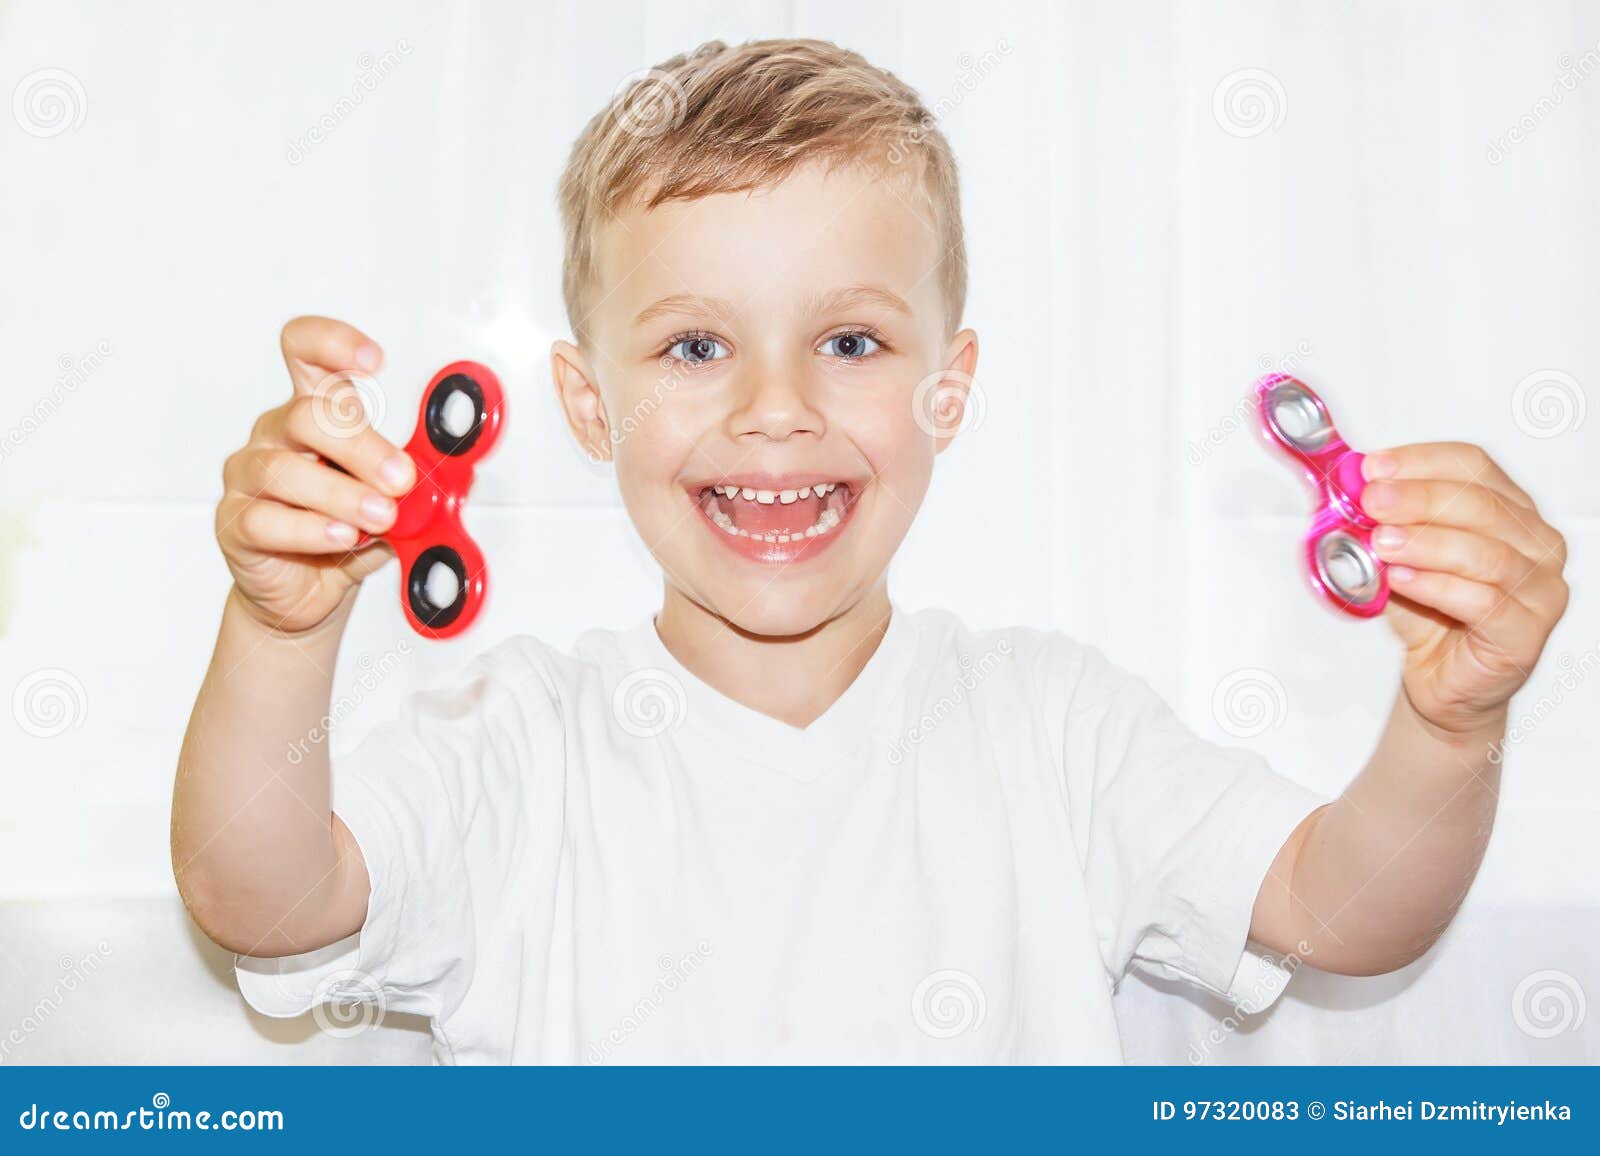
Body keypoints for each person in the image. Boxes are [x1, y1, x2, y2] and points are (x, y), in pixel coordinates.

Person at [171, 38, 1569, 1063]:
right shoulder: (521, 747)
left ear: (945, 389)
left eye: (848, 342)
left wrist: (1452, 727)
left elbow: (1343, 912)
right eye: (696, 345)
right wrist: (281, 631)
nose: (774, 407)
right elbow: (264, 907)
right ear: (590, 409)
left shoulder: (1051, 727)